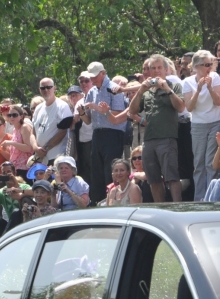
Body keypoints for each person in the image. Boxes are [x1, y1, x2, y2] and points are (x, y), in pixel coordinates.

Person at [118, 54, 184, 202]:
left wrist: (167, 89)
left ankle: (177, 206)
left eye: (159, 67)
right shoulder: (146, 90)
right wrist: (141, 90)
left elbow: (180, 107)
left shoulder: (174, 86)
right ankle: (160, 207)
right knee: (153, 178)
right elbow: (133, 110)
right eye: (153, 68)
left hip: (167, 138)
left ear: (166, 69)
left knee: (171, 176)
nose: (156, 71)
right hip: (149, 140)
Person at [182, 50, 220, 196]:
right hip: (198, 124)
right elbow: (189, 107)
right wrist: (199, 89)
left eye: (210, 64)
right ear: (196, 66)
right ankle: (199, 198)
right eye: (206, 65)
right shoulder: (187, 82)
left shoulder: (215, 77)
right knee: (198, 164)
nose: (209, 67)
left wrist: (208, 87)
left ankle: (211, 197)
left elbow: (218, 102)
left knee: (210, 162)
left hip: (216, 122)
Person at [83, 61, 129, 204]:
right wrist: (82, 112)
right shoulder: (92, 91)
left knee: (111, 170)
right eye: (91, 77)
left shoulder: (114, 89)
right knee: (96, 171)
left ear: (103, 73)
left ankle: (113, 201)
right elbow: (88, 120)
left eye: (95, 76)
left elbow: (118, 113)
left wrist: (97, 108)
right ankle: (97, 201)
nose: (92, 79)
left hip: (113, 134)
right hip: (97, 134)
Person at [31, 77, 74, 165]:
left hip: (56, 157)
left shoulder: (62, 106)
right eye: (43, 88)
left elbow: (63, 132)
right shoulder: (38, 108)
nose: (46, 90)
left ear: (54, 88)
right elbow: (32, 133)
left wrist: (45, 148)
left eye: (48, 87)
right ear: (39, 90)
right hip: (40, 158)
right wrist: (35, 148)